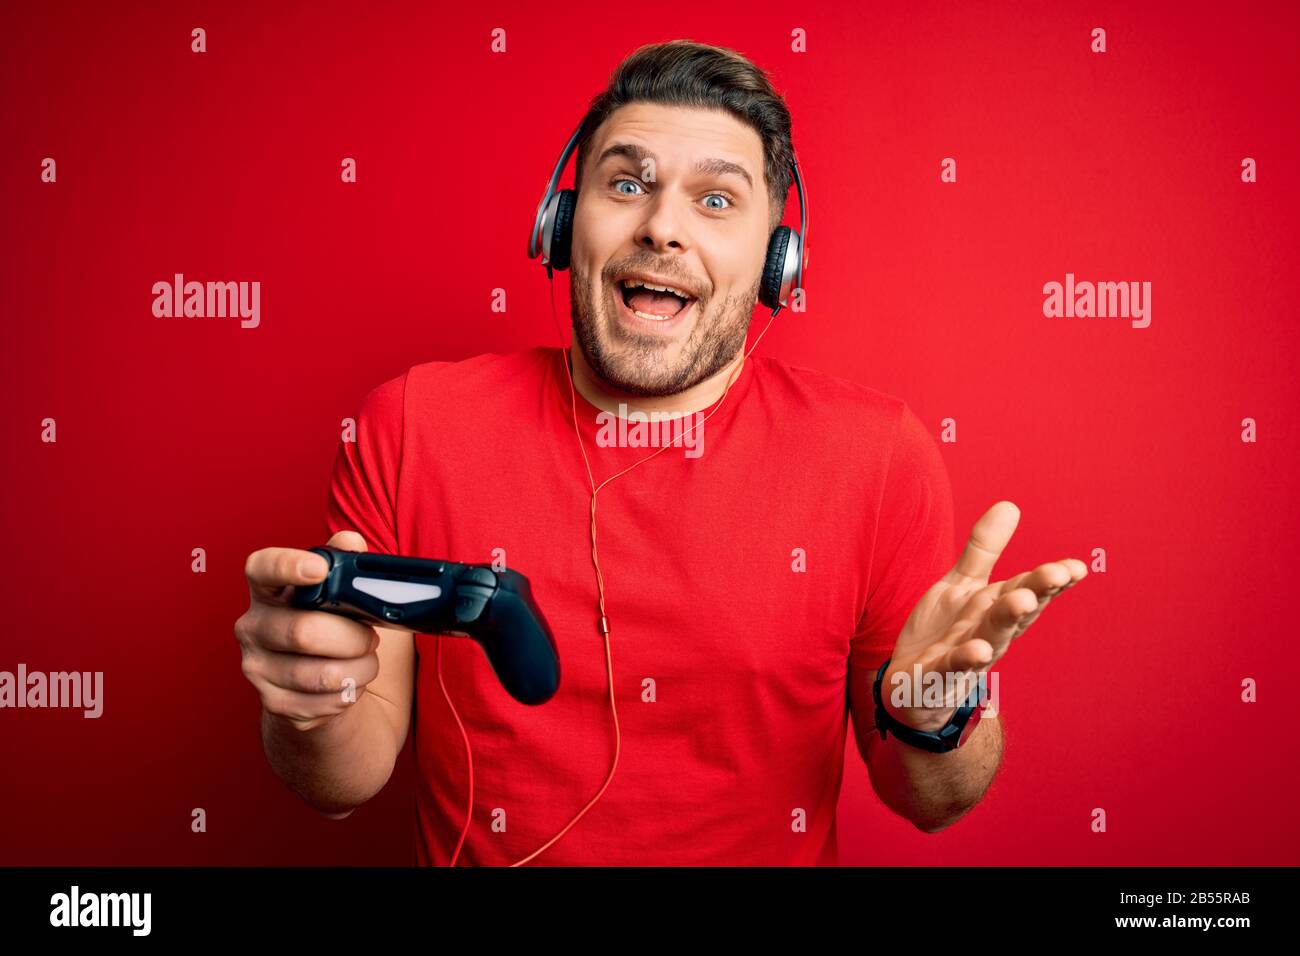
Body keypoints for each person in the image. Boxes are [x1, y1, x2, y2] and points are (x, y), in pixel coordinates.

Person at [235, 39, 1086, 866]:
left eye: (717, 200)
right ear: (563, 226)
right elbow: (342, 781)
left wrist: (933, 708)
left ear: (774, 261)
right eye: (627, 183)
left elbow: (931, 802)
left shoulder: (878, 456)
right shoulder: (414, 421)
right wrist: (310, 702)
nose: (663, 229)